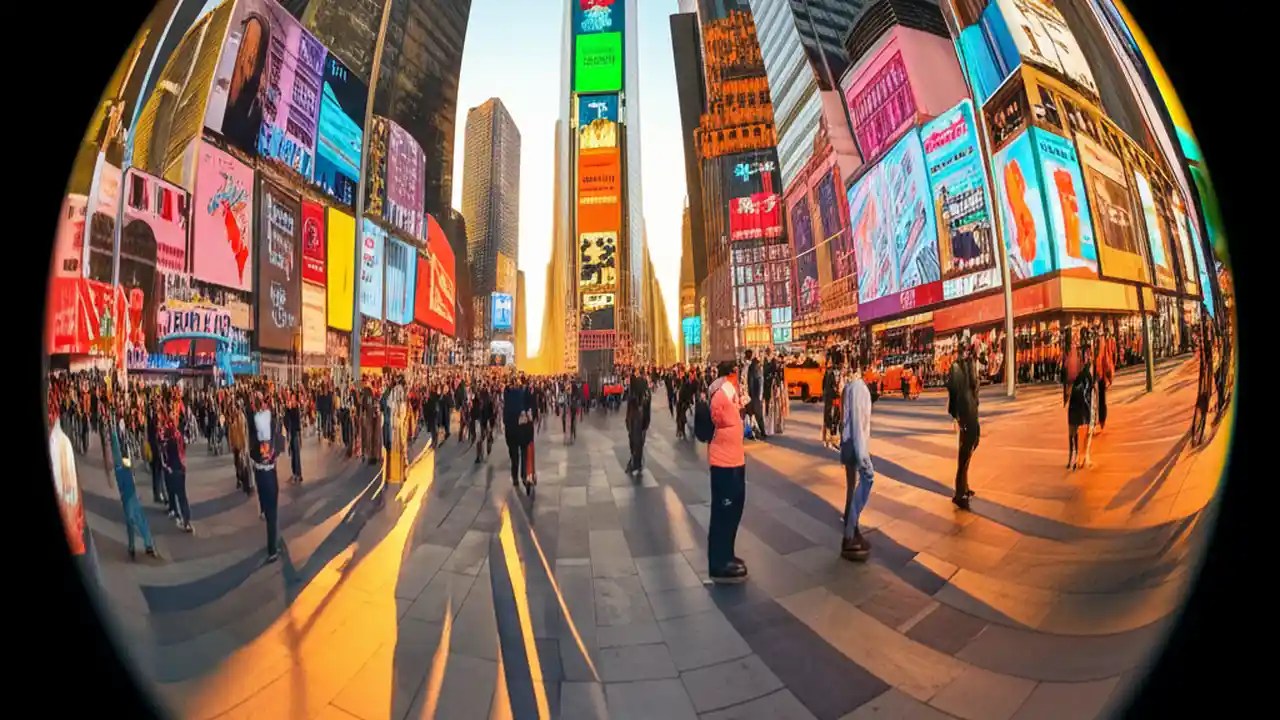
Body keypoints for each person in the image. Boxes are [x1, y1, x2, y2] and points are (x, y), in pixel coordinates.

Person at [706, 361, 748, 584]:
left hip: (734, 460)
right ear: (732, 374)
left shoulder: (728, 394)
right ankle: (719, 563)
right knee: (724, 512)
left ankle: (728, 555)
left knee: (735, 508)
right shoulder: (721, 395)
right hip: (724, 463)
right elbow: (719, 419)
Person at [108, 413, 157, 560]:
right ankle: (143, 545)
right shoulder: (118, 442)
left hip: (126, 481)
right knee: (133, 516)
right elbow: (117, 449)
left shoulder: (123, 442)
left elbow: (123, 452)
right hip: (125, 481)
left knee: (132, 517)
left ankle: (136, 546)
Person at [839, 364, 874, 561]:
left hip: (848, 443)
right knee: (865, 481)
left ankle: (851, 529)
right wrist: (863, 455)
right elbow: (857, 423)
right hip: (855, 445)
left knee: (852, 487)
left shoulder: (848, 387)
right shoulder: (859, 389)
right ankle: (850, 532)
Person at [946, 334, 982, 511]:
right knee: (964, 450)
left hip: (972, 411)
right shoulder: (956, 367)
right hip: (964, 413)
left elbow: (974, 388)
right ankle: (960, 492)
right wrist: (955, 417)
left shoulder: (970, 365)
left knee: (973, 443)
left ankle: (964, 485)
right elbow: (953, 394)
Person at [250, 392, 283, 563]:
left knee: (266, 504)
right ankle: (272, 549)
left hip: (259, 471)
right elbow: (279, 445)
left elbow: (251, 451)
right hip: (269, 471)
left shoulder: (253, 423)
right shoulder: (272, 420)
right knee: (273, 512)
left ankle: (263, 512)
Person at [161, 403, 194, 533]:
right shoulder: (178, 435)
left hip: (173, 469)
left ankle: (178, 514)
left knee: (174, 493)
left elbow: (167, 455)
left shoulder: (169, 440)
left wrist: (167, 466)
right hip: (181, 468)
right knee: (182, 496)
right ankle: (186, 520)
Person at [1066, 344, 1094, 470]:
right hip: (1081, 402)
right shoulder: (1078, 371)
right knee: (1076, 430)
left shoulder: (1085, 371)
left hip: (1083, 401)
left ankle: (1081, 455)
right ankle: (1077, 455)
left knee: (1083, 429)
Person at [625, 374, 652, 475]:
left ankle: (635, 463)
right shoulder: (645, 395)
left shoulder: (634, 396)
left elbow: (630, 411)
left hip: (636, 422)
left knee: (635, 443)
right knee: (638, 443)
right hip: (640, 422)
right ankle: (636, 463)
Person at [744, 350, 767, 441]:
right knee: (749, 414)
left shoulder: (754, 366)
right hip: (751, 394)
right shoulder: (750, 366)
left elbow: (760, 380)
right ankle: (752, 432)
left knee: (757, 414)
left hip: (754, 394)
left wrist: (760, 395)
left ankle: (762, 432)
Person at [285, 391, 303, 485]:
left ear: (295, 400)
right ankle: (295, 473)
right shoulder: (291, 408)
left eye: (292, 398)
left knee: (296, 455)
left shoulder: (295, 409)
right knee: (293, 454)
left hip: (295, 433)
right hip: (292, 433)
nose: (291, 400)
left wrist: (300, 437)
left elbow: (296, 422)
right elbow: (286, 419)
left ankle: (298, 474)